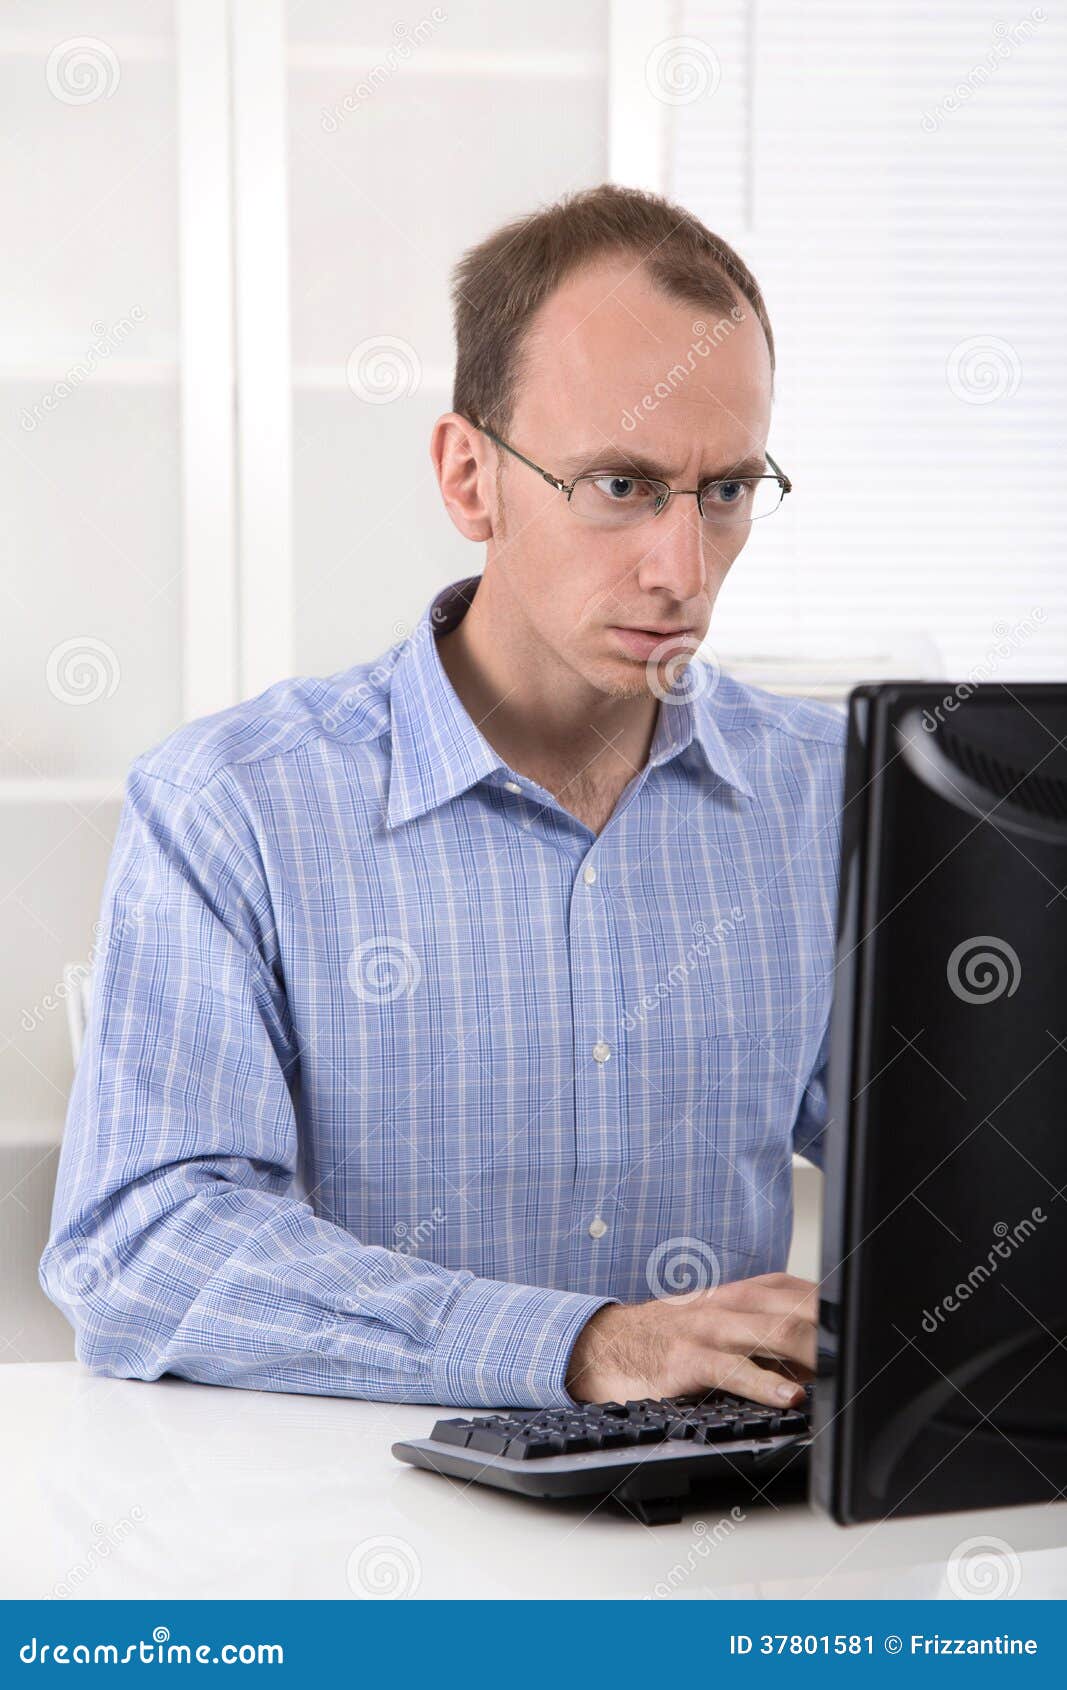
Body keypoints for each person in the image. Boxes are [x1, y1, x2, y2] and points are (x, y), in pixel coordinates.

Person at [41, 183, 844, 1412]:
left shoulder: (826, 793)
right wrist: (585, 1345)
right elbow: (143, 1248)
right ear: (471, 477)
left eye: (725, 491)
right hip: (351, 1542)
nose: (681, 569)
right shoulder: (231, 806)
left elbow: (970, 1176)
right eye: (620, 485)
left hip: (719, 1529)